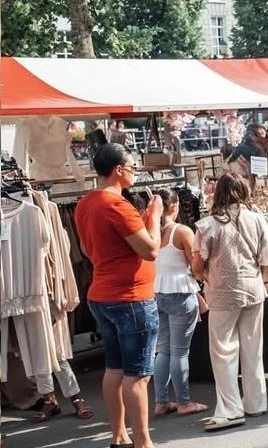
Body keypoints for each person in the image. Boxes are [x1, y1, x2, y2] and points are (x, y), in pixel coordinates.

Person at [74, 143, 163, 448]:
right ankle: (143, 442)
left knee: (114, 368)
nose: (135, 171)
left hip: (102, 294)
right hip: (131, 298)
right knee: (137, 374)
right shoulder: (117, 206)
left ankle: (119, 435)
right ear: (118, 170)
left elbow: (87, 251)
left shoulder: (85, 204)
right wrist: (154, 217)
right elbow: (150, 250)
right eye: (133, 166)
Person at [192, 172, 268, 431]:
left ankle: (230, 409)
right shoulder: (258, 220)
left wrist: (203, 273)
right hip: (253, 288)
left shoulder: (207, 225)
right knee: (252, 347)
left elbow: (197, 266)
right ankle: (256, 402)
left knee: (224, 350)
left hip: (222, 291)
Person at [151, 189, 208, 418]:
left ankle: (161, 401)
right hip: (180, 293)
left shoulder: (151, 231)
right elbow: (196, 266)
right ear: (174, 206)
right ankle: (183, 401)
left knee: (163, 350)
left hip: (158, 294)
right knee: (179, 352)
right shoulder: (182, 231)